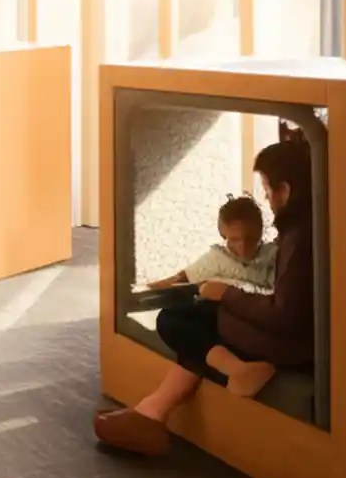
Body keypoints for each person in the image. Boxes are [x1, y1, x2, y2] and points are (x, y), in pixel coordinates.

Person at [94, 140, 314, 456]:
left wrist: (226, 294)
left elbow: (284, 315)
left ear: (285, 190)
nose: (267, 198)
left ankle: (156, 411)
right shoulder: (303, 229)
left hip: (285, 343)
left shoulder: (298, 240)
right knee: (190, 315)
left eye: (268, 191)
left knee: (173, 320)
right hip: (288, 335)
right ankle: (152, 413)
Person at [146, 195, 277, 295]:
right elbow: (182, 278)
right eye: (234, 240)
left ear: (260, 232)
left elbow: (277, 298)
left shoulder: (272, 257)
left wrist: (225, 287)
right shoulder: (217, 258)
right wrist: (146, 289)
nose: (242, 247)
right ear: (223, 234)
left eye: (251, 239)